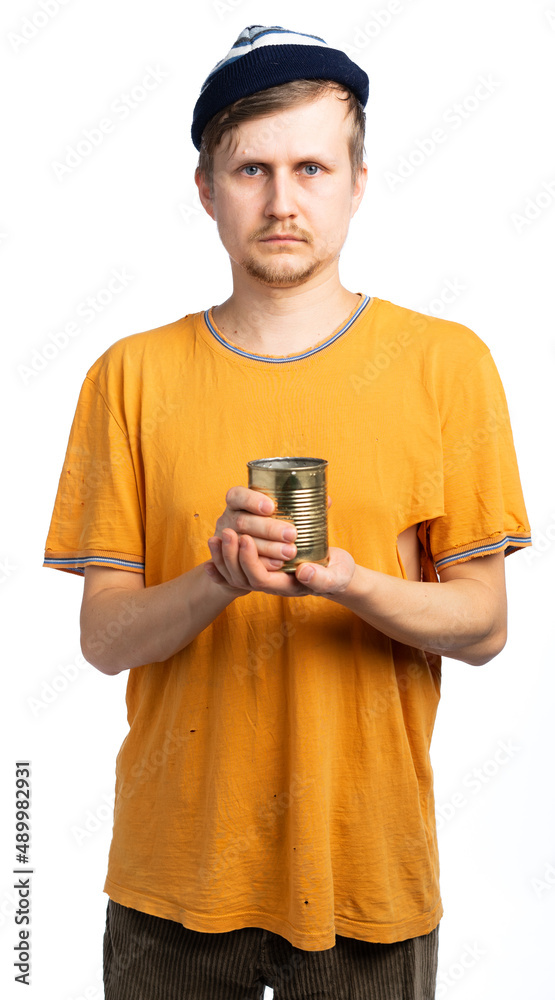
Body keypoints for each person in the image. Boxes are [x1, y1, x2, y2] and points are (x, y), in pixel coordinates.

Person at [43, 23, 532, 1000]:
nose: (281, 200)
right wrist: (216, 579)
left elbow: (483, 625)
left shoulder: (448, 365)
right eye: (251, 169)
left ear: (357, 181)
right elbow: (103, 639)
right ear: (206, 189)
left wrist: (351, 582)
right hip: (170, 886)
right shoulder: (129, 376)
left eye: (312, 166)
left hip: (367, 880)